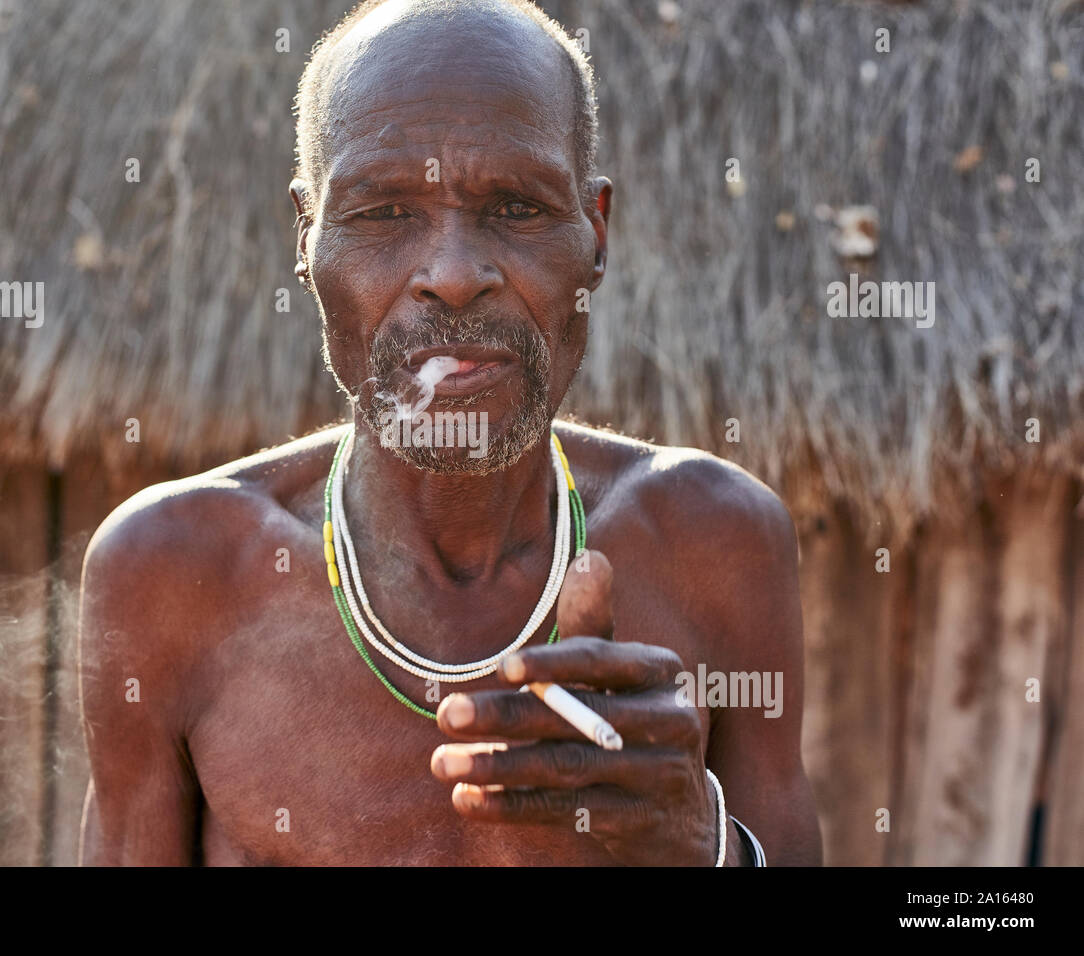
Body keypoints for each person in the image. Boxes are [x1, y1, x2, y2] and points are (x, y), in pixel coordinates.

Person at [78, 0, 822, 865]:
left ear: (596, 232)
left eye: (515, 207)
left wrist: (702, 843)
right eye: (384, 214)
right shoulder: (171, 569)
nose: (455, 274)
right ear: (306, 236)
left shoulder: (717, 542)